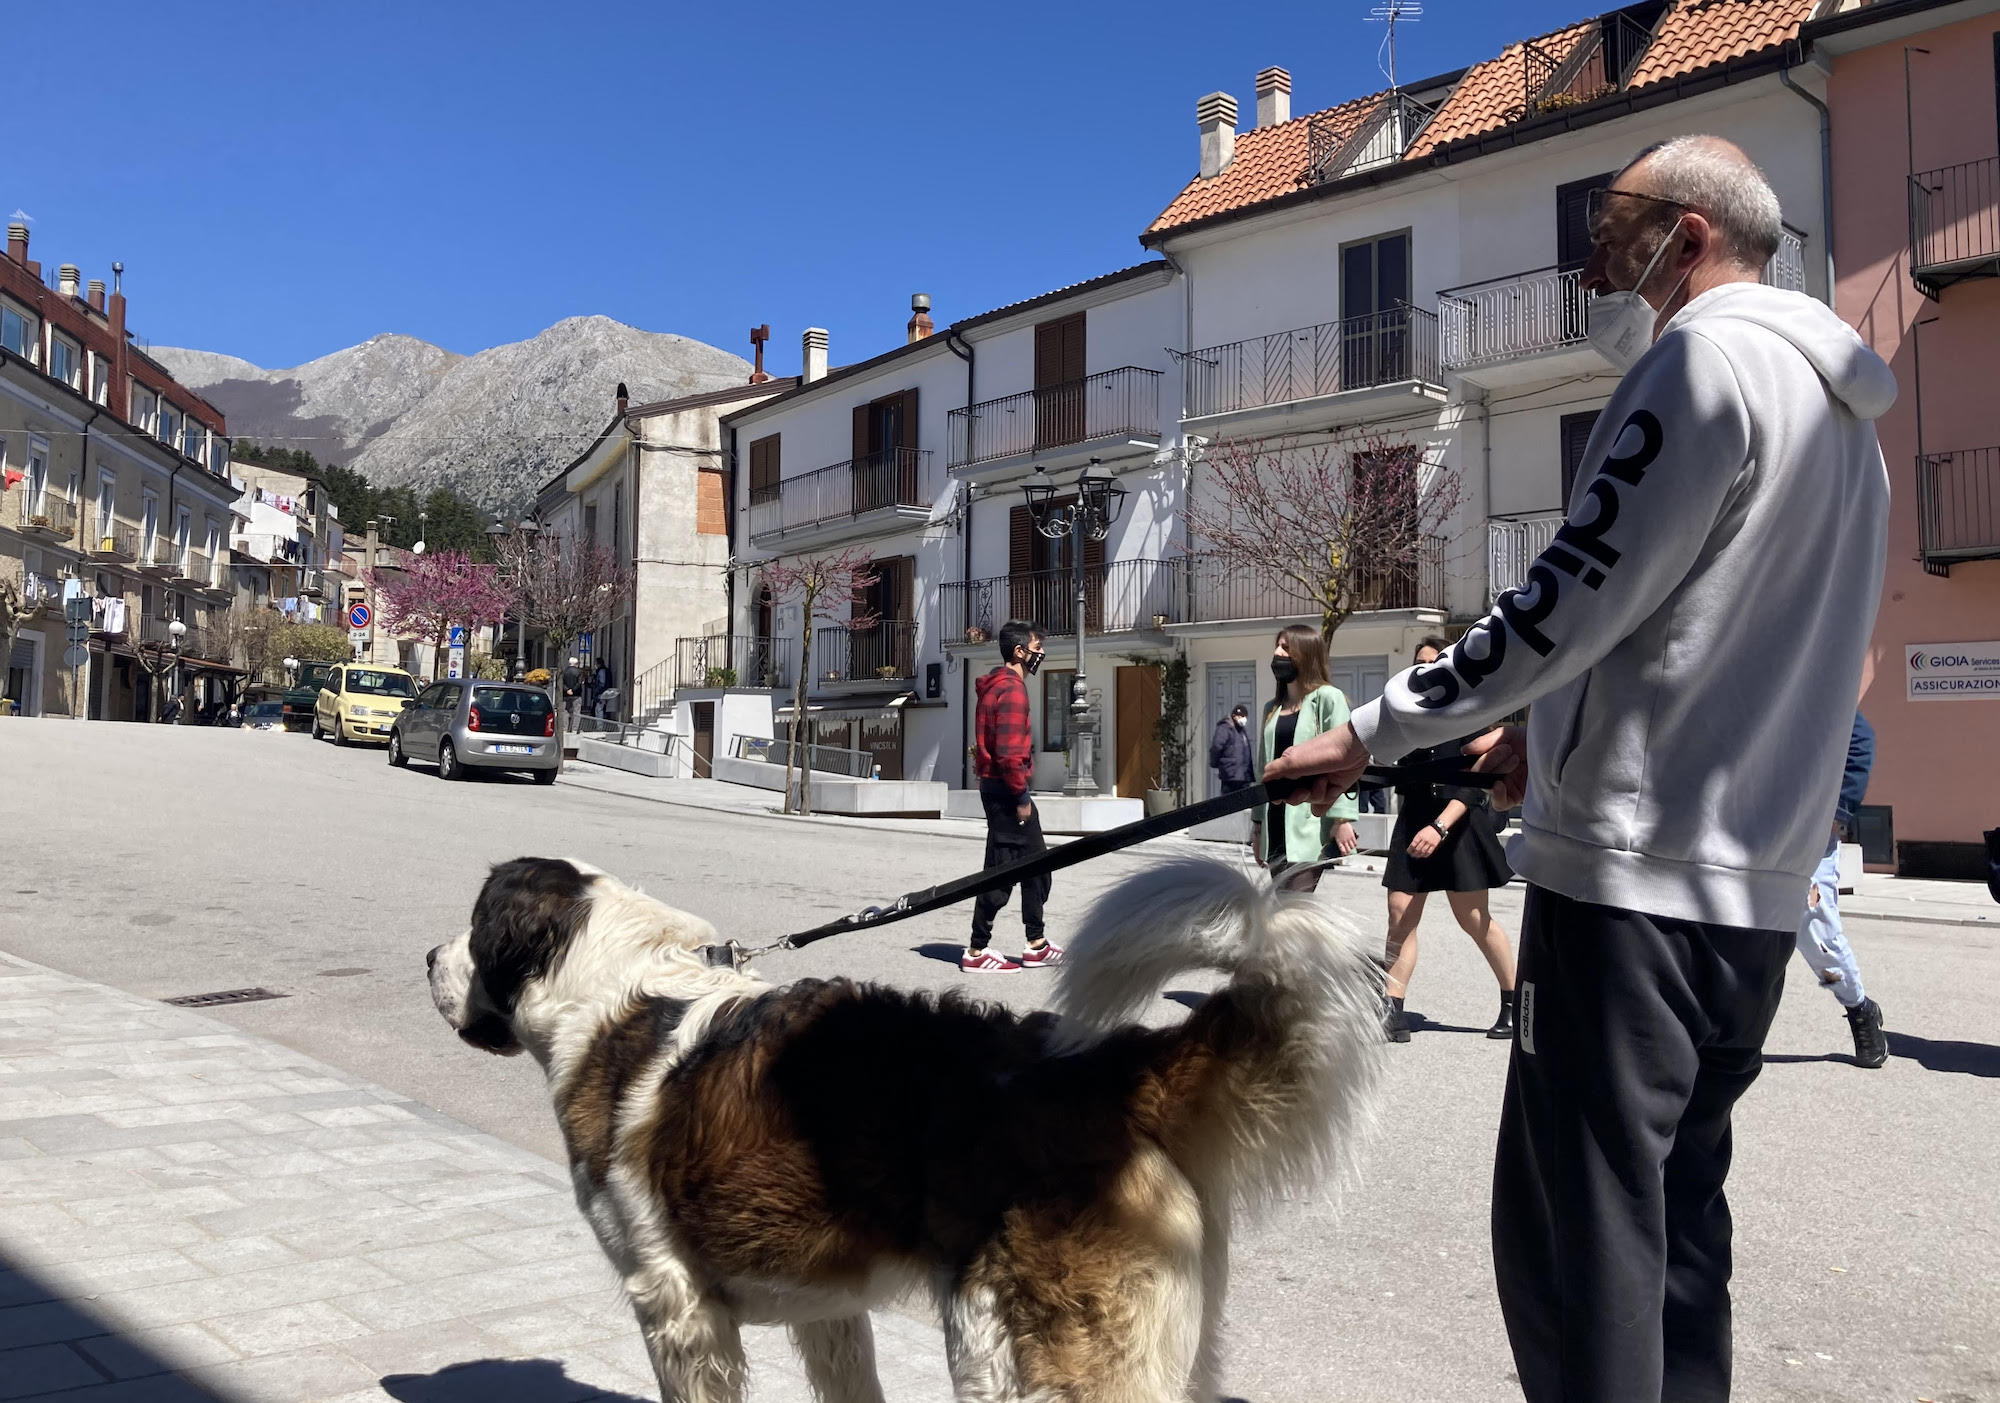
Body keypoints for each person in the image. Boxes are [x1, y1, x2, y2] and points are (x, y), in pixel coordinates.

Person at [1262, 136, 1893, 1403]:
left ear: (1688, 235)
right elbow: (1712, 632)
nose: (1593, 268)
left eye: (1609, 236)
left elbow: (1565, 595)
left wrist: (1371, 730)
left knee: (1576, 1246)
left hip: (1628, 892)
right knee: (1676, 1235)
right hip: (1750, 893)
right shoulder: (1844, 419)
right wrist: (1538, 735)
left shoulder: (1699, 365)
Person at [1379, 636, 1517, 1044]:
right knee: (1400, 914)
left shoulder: (1468, 710)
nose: (1426, 669)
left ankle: (1514, 1003)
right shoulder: (1407, 714)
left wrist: (1439, 827)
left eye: (1433, 661)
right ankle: (1392, 1008)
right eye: (1419, 663)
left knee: (1473, 918)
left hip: (1458, 824)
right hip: (1415, 817)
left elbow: (1476, 783)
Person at [965, 620, 1064, 973]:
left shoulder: (995, 686)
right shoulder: (1012, 690)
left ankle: (1036, 943)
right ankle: (977, 950)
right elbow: (1008, 753)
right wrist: (1021, 797)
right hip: (1007, 790)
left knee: (1034, 865)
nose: (1041, 654)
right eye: (1037, 648)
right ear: (1019, 651)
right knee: (1002, 870)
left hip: (997, 787)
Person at [1796, 710, 1887, 1067]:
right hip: (1747, 826)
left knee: (1816, 931)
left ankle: (1858, 1006)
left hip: (1809, 832)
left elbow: (1859, 741)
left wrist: (1838, 810)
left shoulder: (1813, 688)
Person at [1251, 625, 1358, 893]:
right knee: (1281, 905)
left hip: (1310, 819)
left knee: (1295, 906)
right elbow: (1263, 769)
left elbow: (1346, 759)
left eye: (1286, 648)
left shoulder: (1328, 698)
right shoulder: (1272, 708)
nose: (1277, 653)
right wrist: (1257, 826)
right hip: (1275, 821)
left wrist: (1342, 820)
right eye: (1277, 646)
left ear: (1306, 654)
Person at [1209, 703, 1254, 794]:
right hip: (1230, 775)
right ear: (1233, 716)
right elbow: (1216, 747)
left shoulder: (1242, 730)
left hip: (1244, 776)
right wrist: (1215, 763)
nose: (1243, 719)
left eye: (1244, 716)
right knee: (1229, 801)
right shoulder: (1225, 728)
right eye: (1240, 716)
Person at [561, 656, 583, 731]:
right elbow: (579, 683)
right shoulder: (579, 672)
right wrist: (573, 690)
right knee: (576, 712)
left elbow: (561, 683)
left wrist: (567, 690)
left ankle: (565, 728)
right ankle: (574, 728)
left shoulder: (564, 671)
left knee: (565, 711)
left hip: (565, 695)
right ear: (576, 664)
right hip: (576, 694)